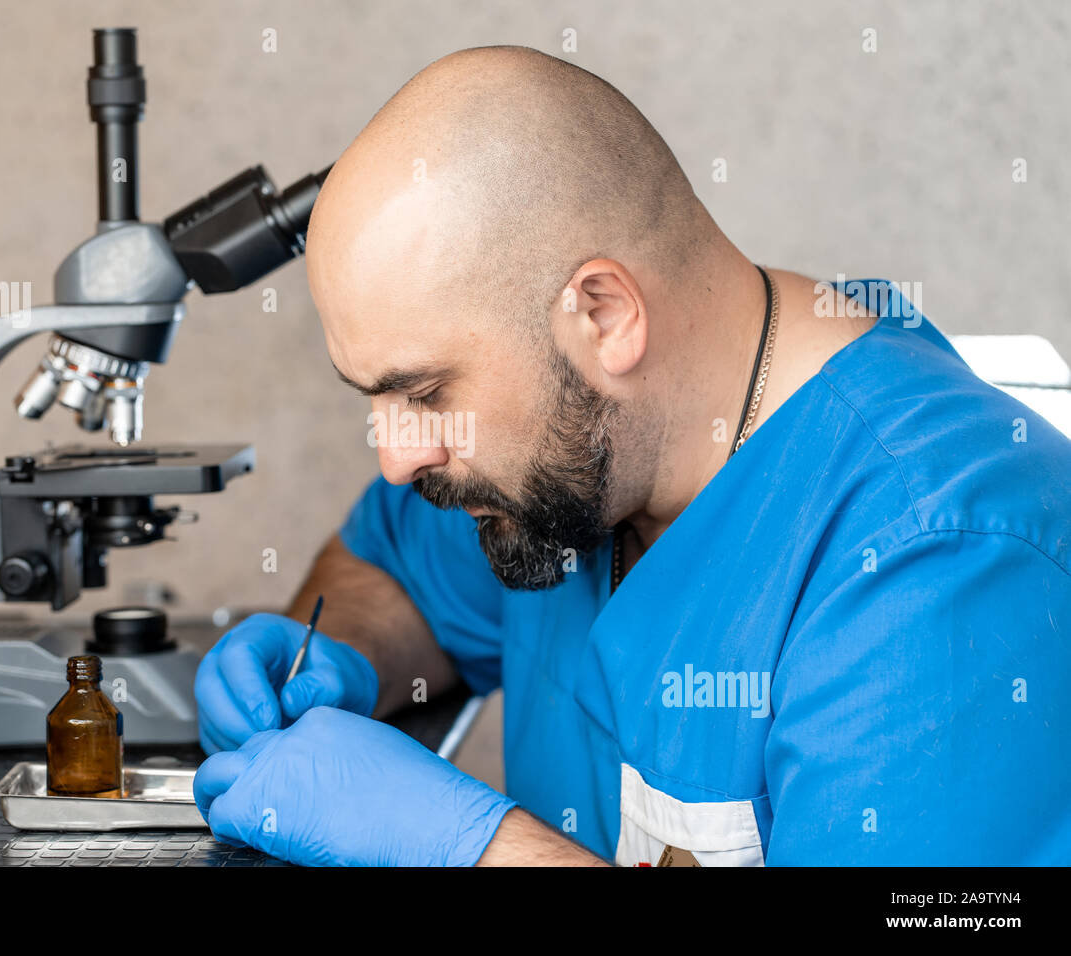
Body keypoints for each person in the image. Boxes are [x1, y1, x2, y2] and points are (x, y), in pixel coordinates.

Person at [192, 45, 1071, 865]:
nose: (395, 458)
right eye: (375, 399)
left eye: (425, 395)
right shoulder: (564, 465)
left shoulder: (944, 562)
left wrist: (474, 847)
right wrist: (339, 657)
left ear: (603, 315)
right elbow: (393, 573)